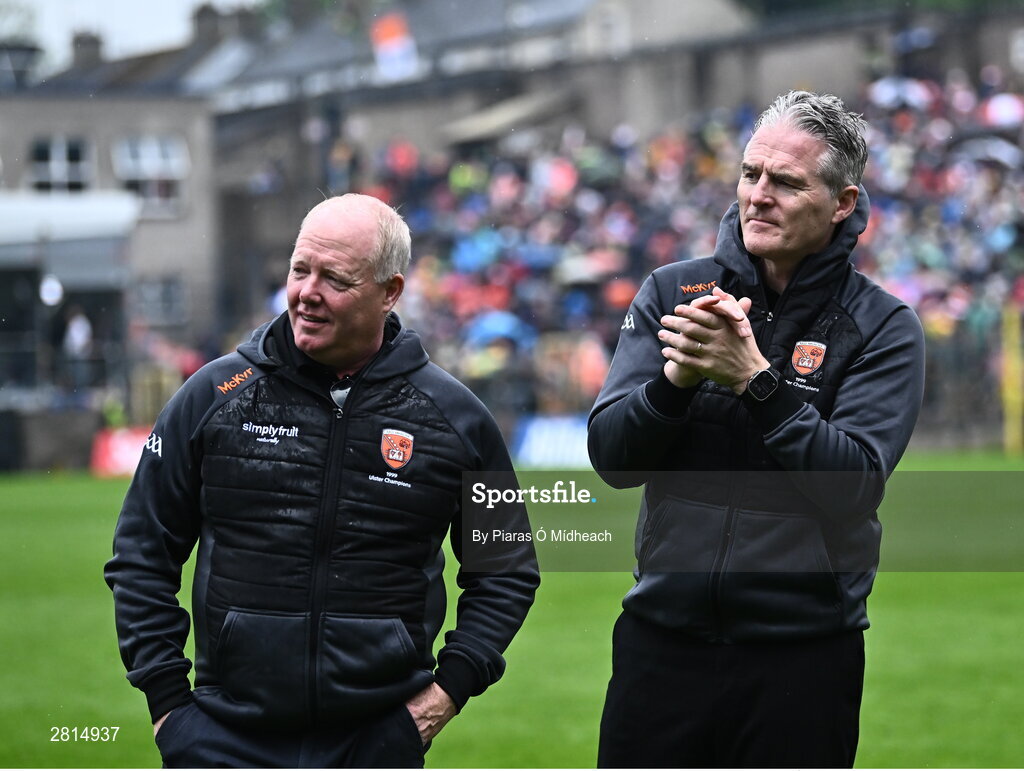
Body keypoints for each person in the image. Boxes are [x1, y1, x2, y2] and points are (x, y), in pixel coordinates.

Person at [105, 193, 539, 768]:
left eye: (335, 278)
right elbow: (141, 554)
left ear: (390, 292)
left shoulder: (453, 418)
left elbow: (506, 569)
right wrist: (167, 705)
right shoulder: (214, 396)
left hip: (377, 742)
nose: (308, 292)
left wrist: (439, 701)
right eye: (299, 269)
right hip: (219, 740)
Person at [588, 91, 925, 768]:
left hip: (802, 656)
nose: (759, 196)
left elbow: (854, 484)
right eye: (750, 174)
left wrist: (754, 380)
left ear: (842, 203)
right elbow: (612, 456)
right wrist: (674, 381)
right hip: (661, 643)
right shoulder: (671, 292)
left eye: (787, 182)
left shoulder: (884, 327)